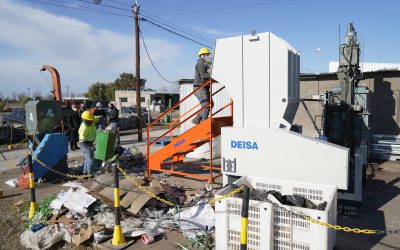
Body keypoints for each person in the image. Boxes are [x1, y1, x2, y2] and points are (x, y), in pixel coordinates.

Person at [192, 47, 213, 124]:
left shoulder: (206, 63)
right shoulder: (201, 62)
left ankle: (196, 119)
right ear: (203, 55)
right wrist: (212, 74)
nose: (208, 56)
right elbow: (203, 75)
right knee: (206, 104)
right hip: (199, 87)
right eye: (207, 55)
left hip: (203, 87)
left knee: (210, 104)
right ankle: (204, 120)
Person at [78, 111, 99, 176]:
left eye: (92, 120)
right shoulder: (83, 128)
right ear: (85, 120)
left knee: (87, 160)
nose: (92, 121)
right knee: (90, 160)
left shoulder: (91, 121)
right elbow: (82, 141)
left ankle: (85, 173)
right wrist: (89, 148)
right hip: (84, 144)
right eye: (90, 120)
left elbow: (97, 118)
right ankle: (89, 173)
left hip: (90, 142)